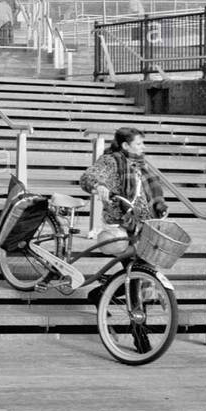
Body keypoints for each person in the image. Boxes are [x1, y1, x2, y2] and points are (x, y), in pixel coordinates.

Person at [78, 127, 169, 301]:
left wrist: (159, 205)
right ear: (126, 146)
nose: (144, 147)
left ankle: (100, 295)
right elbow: (89, 176)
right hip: (120, 225)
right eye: (139, 143)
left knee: (139, 271)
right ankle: (134, 319)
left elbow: (152, 192)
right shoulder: (110, 161)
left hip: (142, 226)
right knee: (138, 270)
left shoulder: (141, 165)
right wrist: (99, 186)